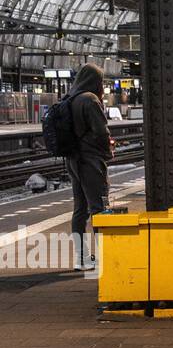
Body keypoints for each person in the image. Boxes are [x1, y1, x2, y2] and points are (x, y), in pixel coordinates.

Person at [66, 64, 111, 270]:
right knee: (99, 209)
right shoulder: (90, 100)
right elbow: (102, 133)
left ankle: (81, 258)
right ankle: (105, 256)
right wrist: (107, 150)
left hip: (74, 160)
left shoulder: (71, 98)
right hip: (91, 161)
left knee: (80, 211)